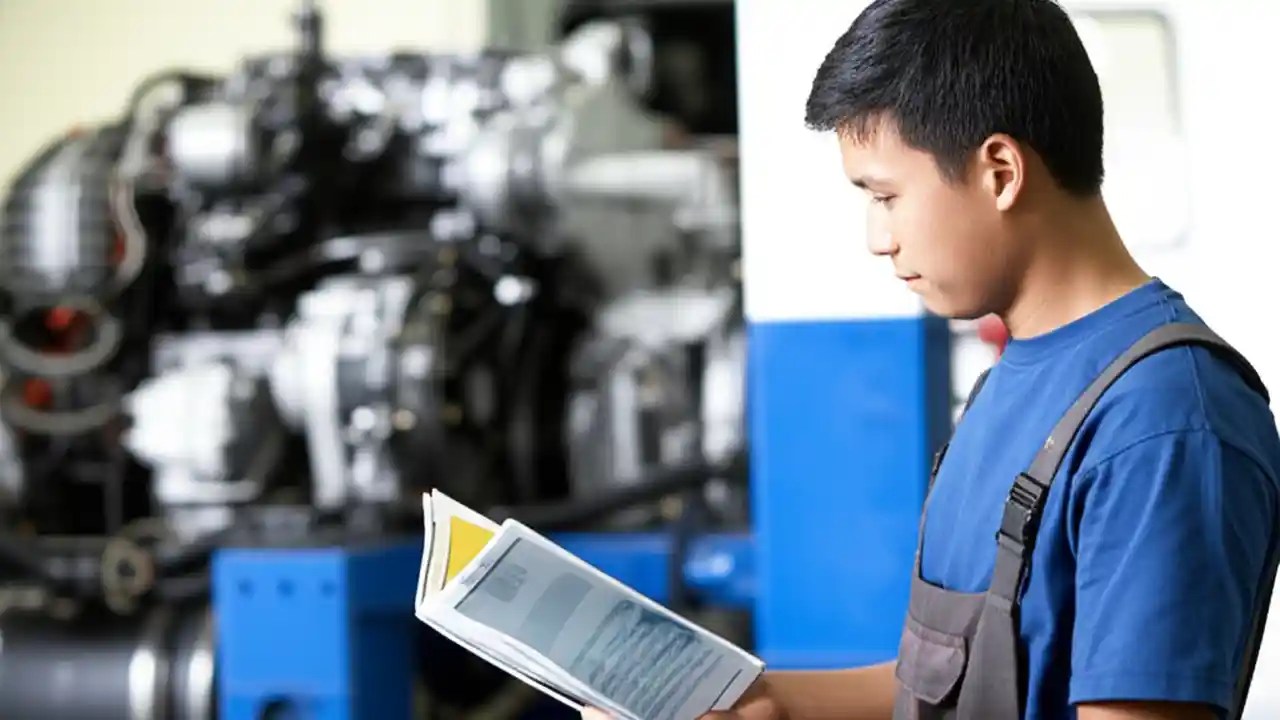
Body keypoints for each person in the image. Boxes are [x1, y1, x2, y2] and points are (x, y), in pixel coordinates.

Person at [584, 0, 1280, 718]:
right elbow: (949, 683)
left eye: (886, 196)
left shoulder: (1163, 422)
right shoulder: (1015, 384)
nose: (877, 238)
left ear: (1000, 171)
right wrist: (759, 704)